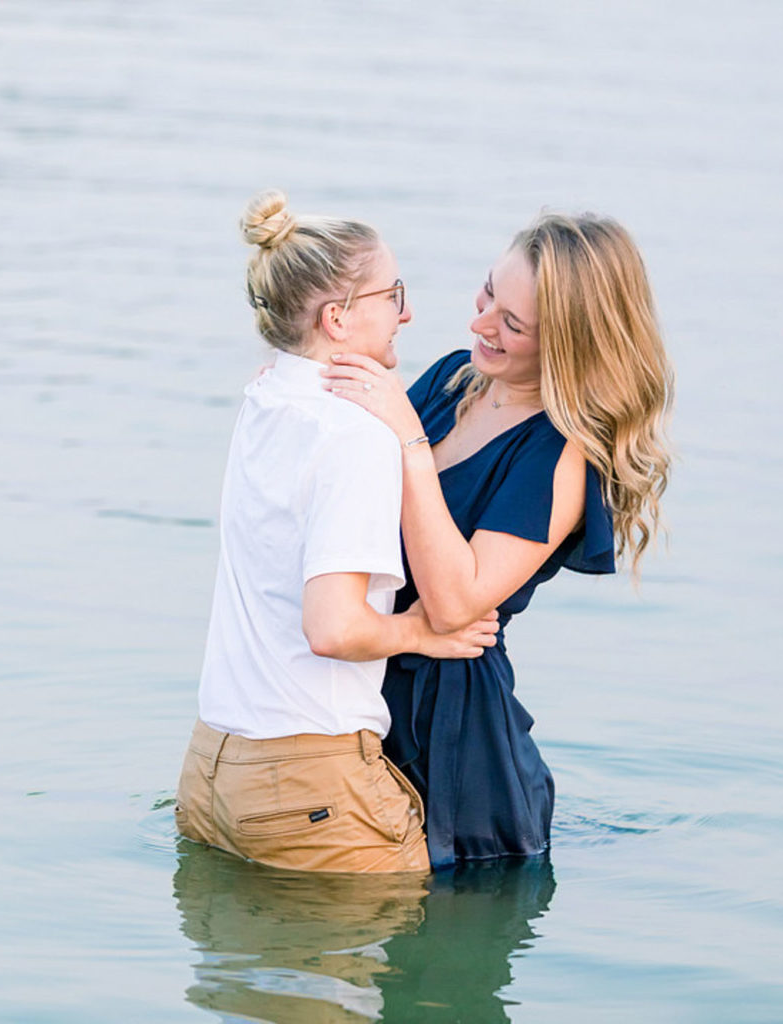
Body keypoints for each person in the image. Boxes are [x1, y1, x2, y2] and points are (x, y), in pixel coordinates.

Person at [322, 212, 673, 867]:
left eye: (511, 323)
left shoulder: (558, 454)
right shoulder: (449, 380)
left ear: (567, 345)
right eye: (487, 293)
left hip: (456, 753)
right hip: (360, 696)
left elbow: (455, 603)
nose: (479, 324)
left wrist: (409, 441)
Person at [174, 190, 499, 874]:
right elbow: (333, 628)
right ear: (337, 318)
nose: (406, 313)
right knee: (408, 933)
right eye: (393, 295)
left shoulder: (264, 397)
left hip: (211, 771)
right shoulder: (356, 435)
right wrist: (423, 633)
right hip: (308, 781)